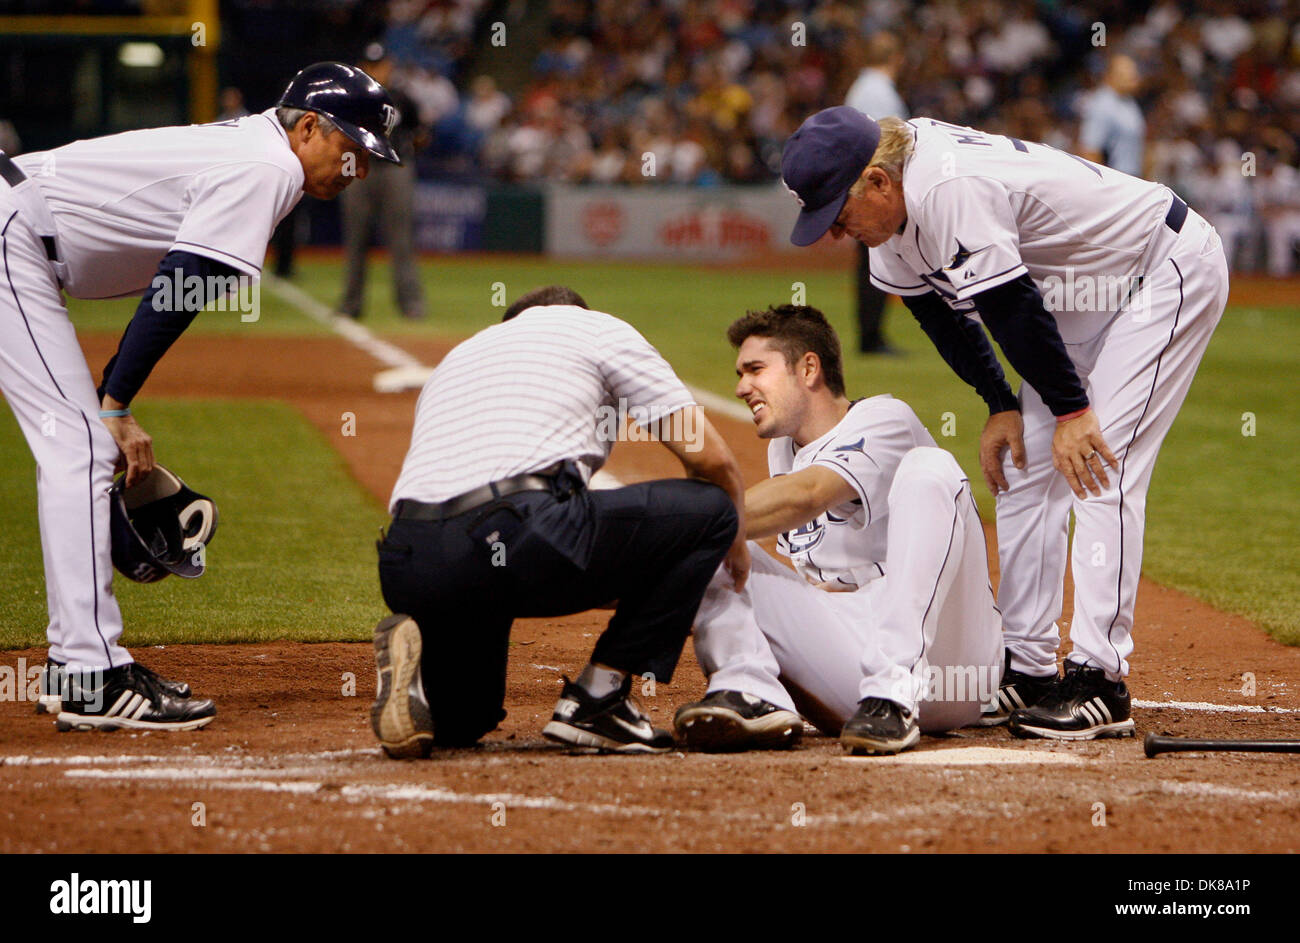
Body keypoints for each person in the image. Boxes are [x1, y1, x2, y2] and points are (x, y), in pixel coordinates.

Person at [781, 106, 1229, 740]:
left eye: (837, 212)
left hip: (1159, 270)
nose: (834, 233)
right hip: (1076, 298)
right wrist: (1000, 404)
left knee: (1101, 466)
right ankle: (1029, 666)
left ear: (879, 181)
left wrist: (1073, 412)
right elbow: (940, 318)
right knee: (1024, 470)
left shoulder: (947, 185)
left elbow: (1009, 305)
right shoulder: (895, 214)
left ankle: (1100, 679)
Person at [0, 62, 400, 731]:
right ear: (308, 127)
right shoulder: (269, 167)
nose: (358, 168)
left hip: (20, 234)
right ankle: (90, 674)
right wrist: (114, 403)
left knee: (80, 445)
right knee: (82, 447)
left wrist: (111, 400)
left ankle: (79, 664)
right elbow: (181, 287)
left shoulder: (258, 151)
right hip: (12, 237)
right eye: (352, 148)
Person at [370, 285, 748, 757]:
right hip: (514, 533)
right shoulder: (598, 330)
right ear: (575, 312)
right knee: (710, 510)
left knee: (464, 721)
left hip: (409, 560)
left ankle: (417, 686)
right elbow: (711, 460)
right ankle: (599, 698)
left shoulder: (460, 356)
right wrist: (731, 540)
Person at [673, 305, 1003, 755]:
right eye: (740, 374)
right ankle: (753, 694)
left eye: (755, 370)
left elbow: (808, 494)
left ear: (809, 368)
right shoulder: (783, 450)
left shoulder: (885, 419)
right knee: (712, 553)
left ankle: (893, 695)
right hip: (856, 668)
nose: (741, 387)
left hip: (950, 666)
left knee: (931, 467)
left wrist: (680, 525)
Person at [338, 43, 428, 321]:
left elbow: (420, 132)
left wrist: (407, 153)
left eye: (380, 64)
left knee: (401, 240)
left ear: (390, 66)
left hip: (394, 169)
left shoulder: (402, 97)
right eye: (371, 65)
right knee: (355, 240)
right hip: (359, 170)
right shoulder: (350, 97)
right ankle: (351, 304)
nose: (376, 70)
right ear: (362, 67)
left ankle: (410, 303)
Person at [844, 31, 907, 355]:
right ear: (896, 58)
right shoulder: (881, 92)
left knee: (870, 260)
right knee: (877, 260)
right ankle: (871, 337)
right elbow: (888, 144)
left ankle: (870, 335)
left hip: (861, 184)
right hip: (874, 188)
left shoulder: (861, 88)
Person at [1078, 54, 1146, 178]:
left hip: (1131, 177)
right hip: (1116, 178)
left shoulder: (1128, 100)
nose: (1134, 75)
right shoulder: (1102, 104)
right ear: (1110, 75)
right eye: (1127, 71)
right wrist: (1102, 184)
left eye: (1134, 71)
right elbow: (1090, 150)